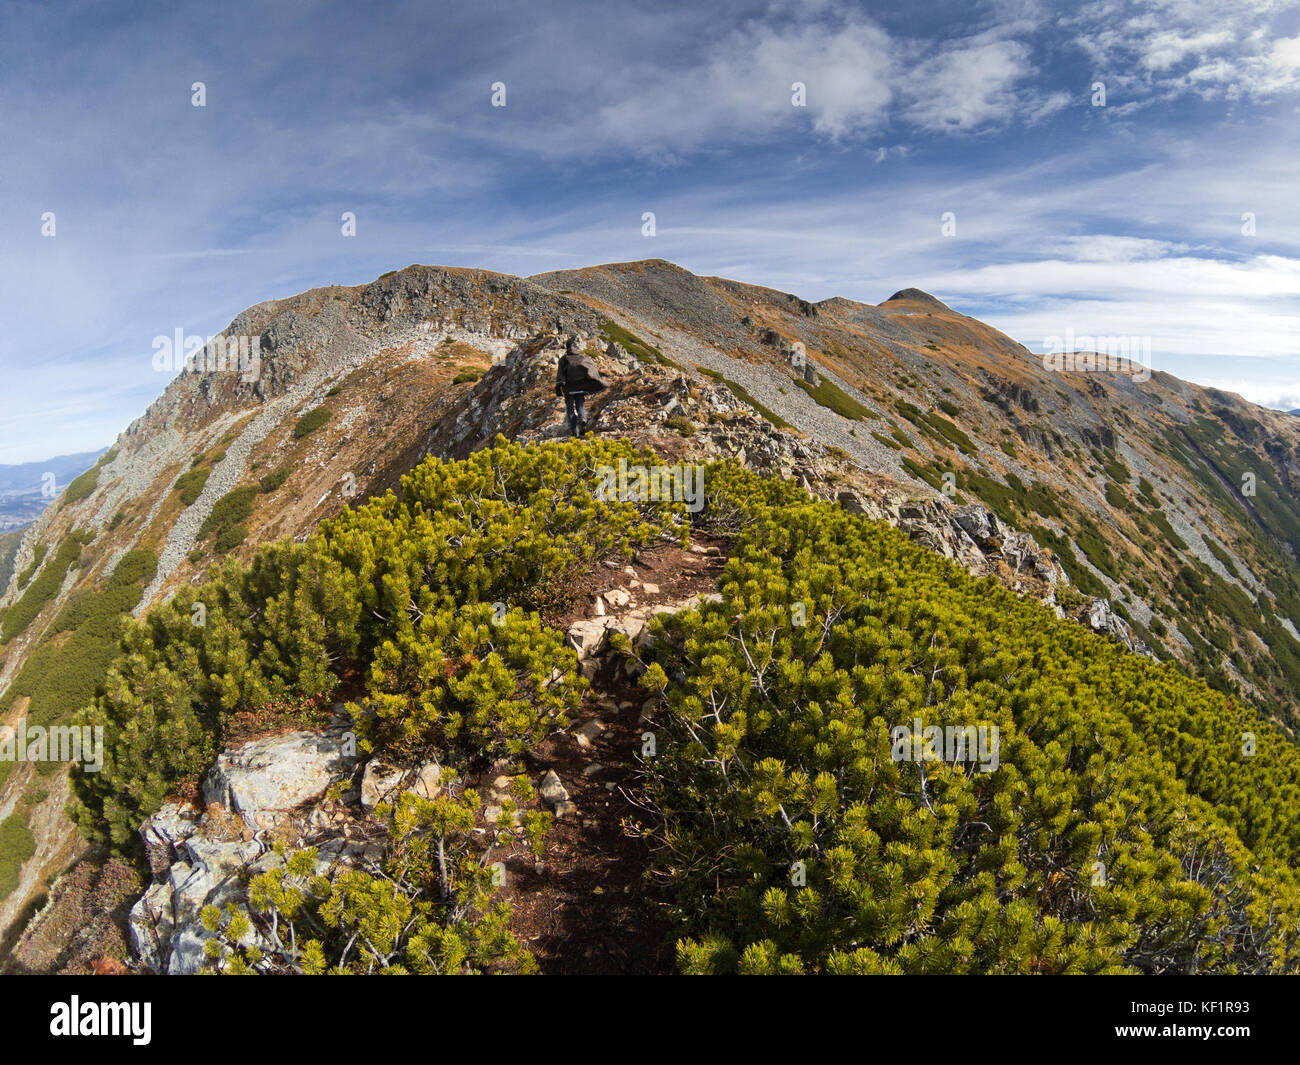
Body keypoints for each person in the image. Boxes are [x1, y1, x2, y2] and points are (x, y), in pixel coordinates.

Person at [555, 335, 589, 436]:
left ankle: (575, 432)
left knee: (570, 409)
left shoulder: (563, 359)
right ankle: (583, 419)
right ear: (575, 346)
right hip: (580, 387)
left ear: (567, 347)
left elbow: (560, 374)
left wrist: (558, 387)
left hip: (569, 389)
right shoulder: (581, 357)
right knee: (580, 405)